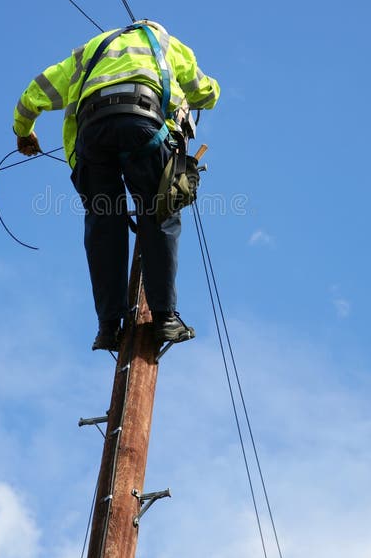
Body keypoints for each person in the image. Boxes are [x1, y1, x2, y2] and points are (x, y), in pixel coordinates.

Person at [13, 19, 220, 351]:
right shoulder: (166, 44)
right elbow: (203, 90)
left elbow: (33, 93)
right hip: (144, 124)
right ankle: (165, 318)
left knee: (104, 225)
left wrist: (23, 130)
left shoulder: (87, 53)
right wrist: (213, 91)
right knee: (160, 213)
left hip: (91, 135)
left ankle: (108, 327)